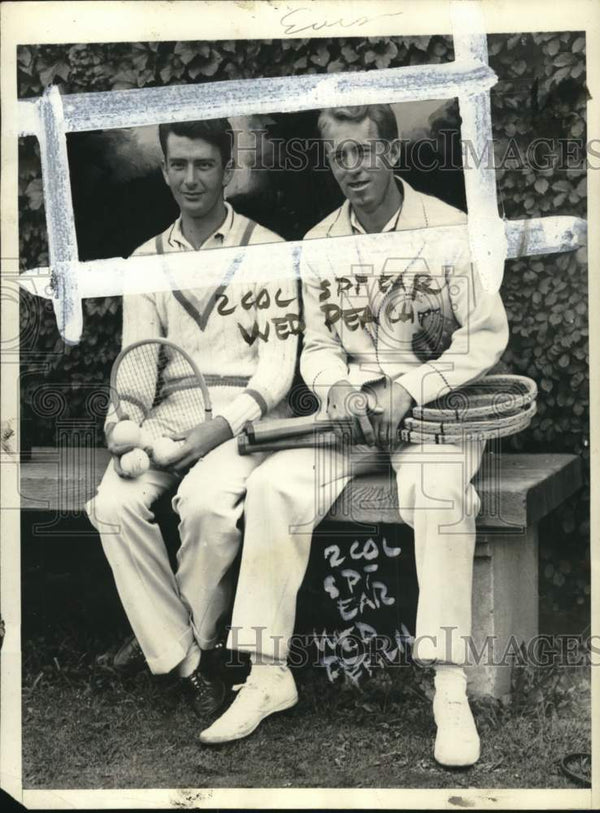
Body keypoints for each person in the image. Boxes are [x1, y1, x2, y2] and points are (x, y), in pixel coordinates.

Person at [199, 104, 509, 767]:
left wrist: (410, 389)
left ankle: (448, 686)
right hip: (349, 417)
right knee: (276, 485)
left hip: (433, 411)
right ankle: (266, 673)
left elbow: (485, 339)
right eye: (339, 155)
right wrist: (338, 389)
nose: (351, 168)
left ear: (390, 153)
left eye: (363, 152)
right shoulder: (316, 243)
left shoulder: (450, 229)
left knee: (438, 490)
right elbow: (313, 345)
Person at [86, 118, 298, 719]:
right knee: (113, 504)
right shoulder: (143, 261)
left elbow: (277, 372)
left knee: (207, 508)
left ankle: (170, 643)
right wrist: (121, 420)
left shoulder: (271, 252)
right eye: (178, 164)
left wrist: (212, 432)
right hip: (167, 420)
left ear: (228, 170)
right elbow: (136, 366)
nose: (190, 178)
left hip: (244, 426)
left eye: (204, 165)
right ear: (164, 170)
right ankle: (185, 659)